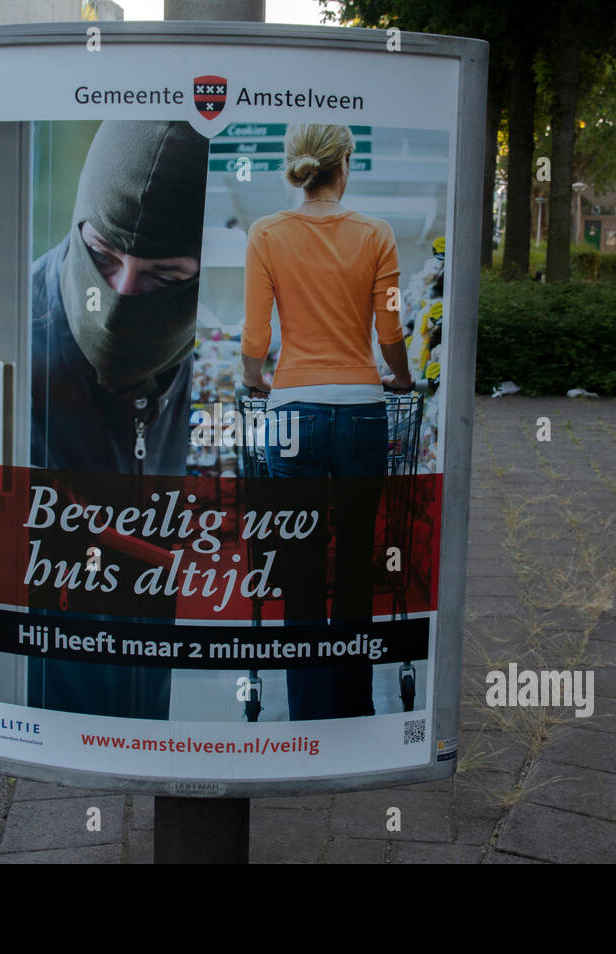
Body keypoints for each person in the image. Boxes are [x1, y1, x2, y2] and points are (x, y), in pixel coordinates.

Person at [22, 120, 209, 719]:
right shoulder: (8, 335)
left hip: (162, 692)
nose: (122, 296)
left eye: (164, 277)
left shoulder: (221, 343)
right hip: (51, 708)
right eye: (103, 257)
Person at [241, 123, 414, 722]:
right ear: (346, 165)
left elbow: (256, 338)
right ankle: (354, 707)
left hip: (293, 416)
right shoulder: (377, 235)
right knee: (357, 564)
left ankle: (310, 715)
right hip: (363, 412)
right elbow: (390, 329)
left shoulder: (267, 234)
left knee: (301, 567)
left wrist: (257, 380)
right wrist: (402, 376)